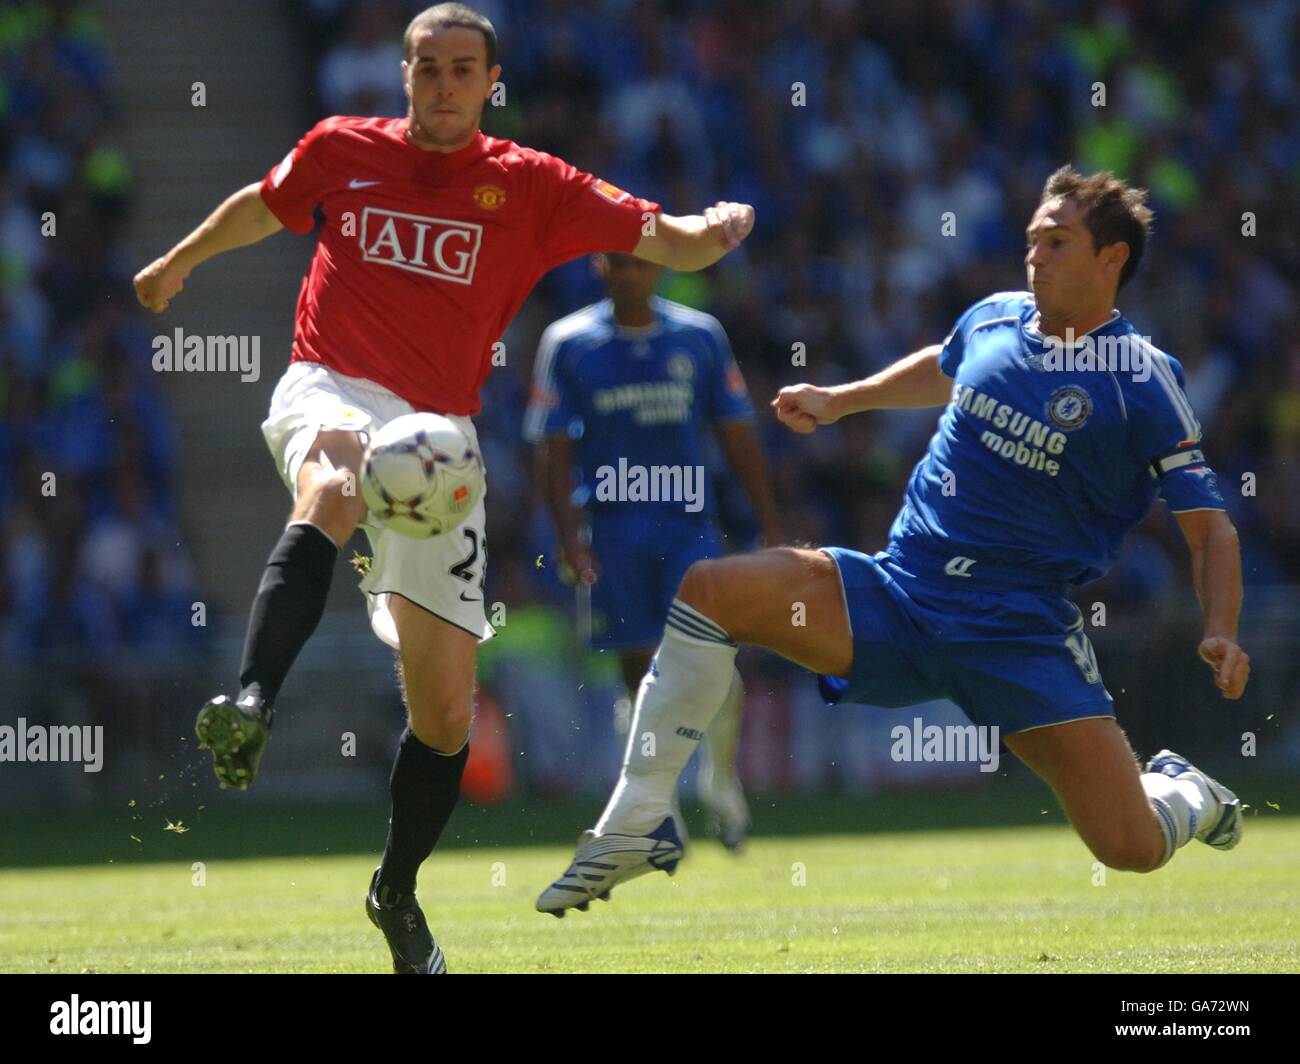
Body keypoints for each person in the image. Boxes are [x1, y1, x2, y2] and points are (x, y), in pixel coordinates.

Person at [132, 2, 755, 973]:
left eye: (463, 69)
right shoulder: (342, 149)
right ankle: (251, 697)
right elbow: (265, 203)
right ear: (404, 74)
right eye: (427, 68)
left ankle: (395, 890)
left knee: (446, 711)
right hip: (328, 382)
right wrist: (178, 263)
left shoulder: (532, 184)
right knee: (332, 478)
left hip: (438, 444)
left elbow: (660, 238)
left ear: (489, 83)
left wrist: (711, 231)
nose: (444, 84)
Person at [536, 165, 1250, 917]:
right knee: (709, 591)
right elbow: (944, 368)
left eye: (1059, 242)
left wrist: (1222, 630)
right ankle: (639, 817)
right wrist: (841, 400)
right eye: (1034, 237)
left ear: (1113, 260)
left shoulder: (1141, 378)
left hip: (1017, 631)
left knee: (1129, 848)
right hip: (901, 592)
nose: (1035, 254)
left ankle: (1184, 792)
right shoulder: (994, 317)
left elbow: (1211, 530)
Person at [526, 251, 781, 849]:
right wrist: (569, 540)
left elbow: (736, 430)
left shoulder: (699, 336)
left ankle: (721, 780)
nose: (631, 273)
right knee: (638, 675)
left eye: (641, 263)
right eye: (619, 262)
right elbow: (552, 446)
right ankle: (659, 809)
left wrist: (770, 526)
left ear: (661, 266)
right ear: (600, 267)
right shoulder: (569, 342)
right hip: (613, 529)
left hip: (688, 525)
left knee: (713, 663)